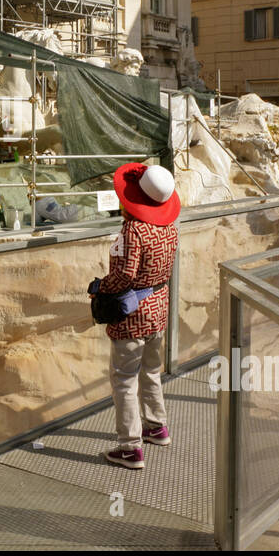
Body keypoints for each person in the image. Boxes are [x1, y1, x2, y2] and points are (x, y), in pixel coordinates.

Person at [98, 163, 180, 470]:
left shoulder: (134, 229)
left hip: (132, 315)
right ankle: (157, 427)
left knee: (124, 380)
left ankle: (131, 448)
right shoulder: (169, 227)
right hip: (157, 311)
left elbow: (126, 276)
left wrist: (100, 287)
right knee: (150, 372)